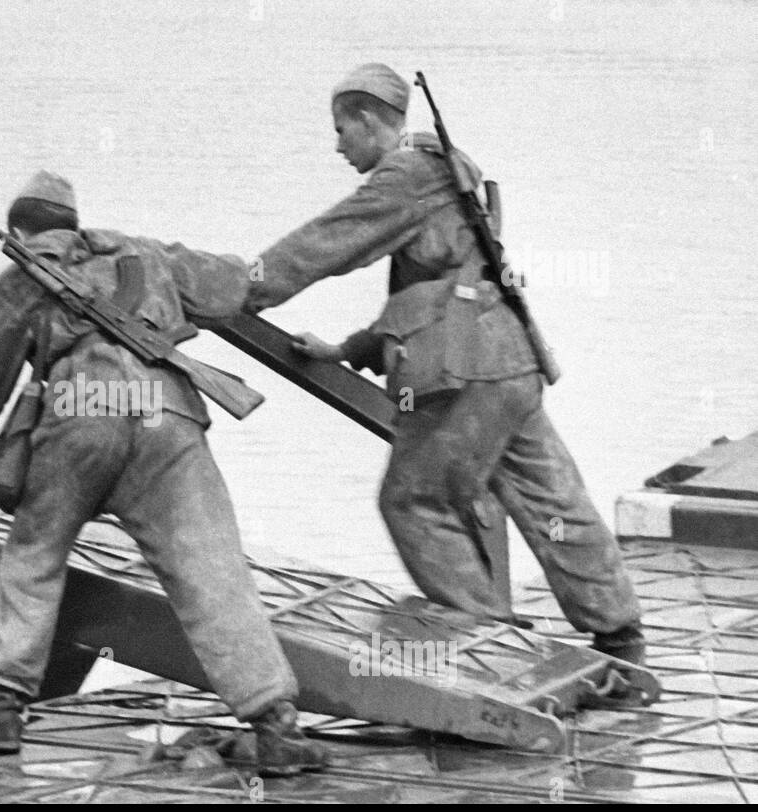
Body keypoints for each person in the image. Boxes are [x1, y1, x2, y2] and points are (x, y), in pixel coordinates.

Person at [0, 171, 330, 774]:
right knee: (213, 572)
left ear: (22, 233)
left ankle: (3, 720)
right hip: (168, 419)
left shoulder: (19, 279)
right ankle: (273, 728)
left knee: (34, 560)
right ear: (72, 224)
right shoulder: (148, 255)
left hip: (77, 416)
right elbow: (238, 284)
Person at [244, 64, 645, 666]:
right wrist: (348, 351)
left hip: (465, 376)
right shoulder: (448, 169)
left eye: (341, 130)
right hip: (510, 365)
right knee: (552, 504)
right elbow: (435, 287)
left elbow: (326, 244)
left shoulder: (405, 174)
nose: (337, 146)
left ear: (370, 120)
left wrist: (237, 287)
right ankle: (620, 637)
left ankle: (492, 645)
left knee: (413, 501)